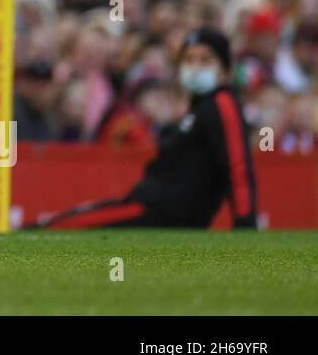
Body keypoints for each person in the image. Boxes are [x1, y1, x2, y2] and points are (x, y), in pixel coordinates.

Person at [33, 28, 258, 229]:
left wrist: (245, 223)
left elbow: (237, 164)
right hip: (158, 208)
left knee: (75, 223)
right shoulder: (198, 109)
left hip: (162, 211)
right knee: (82, 218)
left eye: (205, 60)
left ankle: (35, 230)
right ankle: (37, 229)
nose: (195, 67)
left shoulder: (222, 103)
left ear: (224, 69)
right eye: (189, 60)